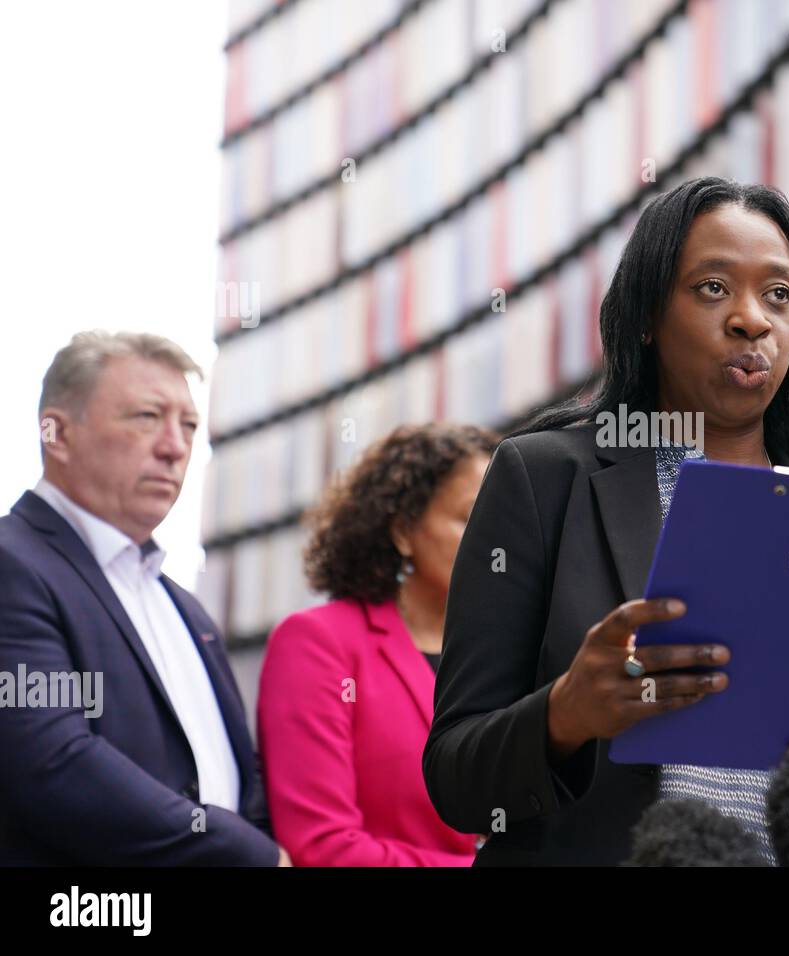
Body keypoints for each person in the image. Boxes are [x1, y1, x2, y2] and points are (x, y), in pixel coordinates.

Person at [424, 177, 789, 866]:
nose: (751, 319)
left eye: (779, 295)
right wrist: (566, 714)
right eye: (712, 287)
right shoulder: (545, 479)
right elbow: (456, 778)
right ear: (647, 315)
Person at [0, 331, 285, 865]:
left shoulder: (185, 608)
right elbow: (53, 766)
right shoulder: (12, 563)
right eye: (146, 417)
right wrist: (253, 856)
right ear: (57, 433)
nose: (175, 447)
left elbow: (244, 777)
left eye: (190, 425)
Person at [258, 424, 497, 866]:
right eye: (469, 518)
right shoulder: (318, 643)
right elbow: (322, 846)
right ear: (404, 531)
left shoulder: (512, 652)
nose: (496, 541)